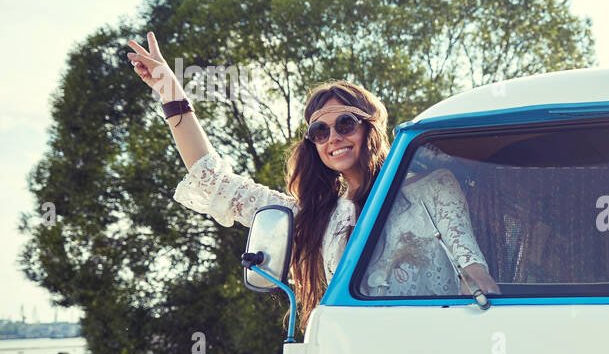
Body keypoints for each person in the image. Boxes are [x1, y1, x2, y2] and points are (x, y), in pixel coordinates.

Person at [126, 32, 498, 323]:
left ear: (371, 129)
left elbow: (473, 271)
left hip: (435, 349)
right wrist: (170, 93)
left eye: (345, 124)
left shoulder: (433, 187)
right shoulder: (310, 216)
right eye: (320, 131)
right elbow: (213, 178)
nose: (333, 137)